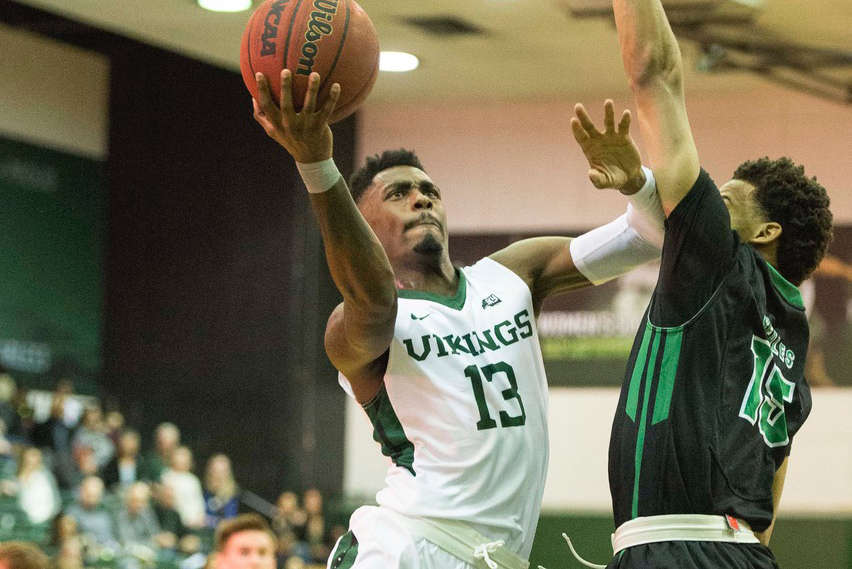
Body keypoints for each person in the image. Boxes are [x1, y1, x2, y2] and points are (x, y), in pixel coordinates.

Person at [252, 68, 666, 568]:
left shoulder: (512, 273)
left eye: (428, 190)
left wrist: (638, 183)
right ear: (360, 227)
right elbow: (375, 297)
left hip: (496, 557)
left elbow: (647, 237)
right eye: (397, 194)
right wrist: (318, 164)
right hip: (409, 545)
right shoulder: (357, 322)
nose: (421, 197)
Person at [569, 0, 833, 567]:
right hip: (739, 550)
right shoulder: (792, 335)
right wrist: (641, 186)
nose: (704, 203)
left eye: (725, 200)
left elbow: (655, 73)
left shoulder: (721, 261)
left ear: (764, 231)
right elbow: (776, 469)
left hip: (676, 546)